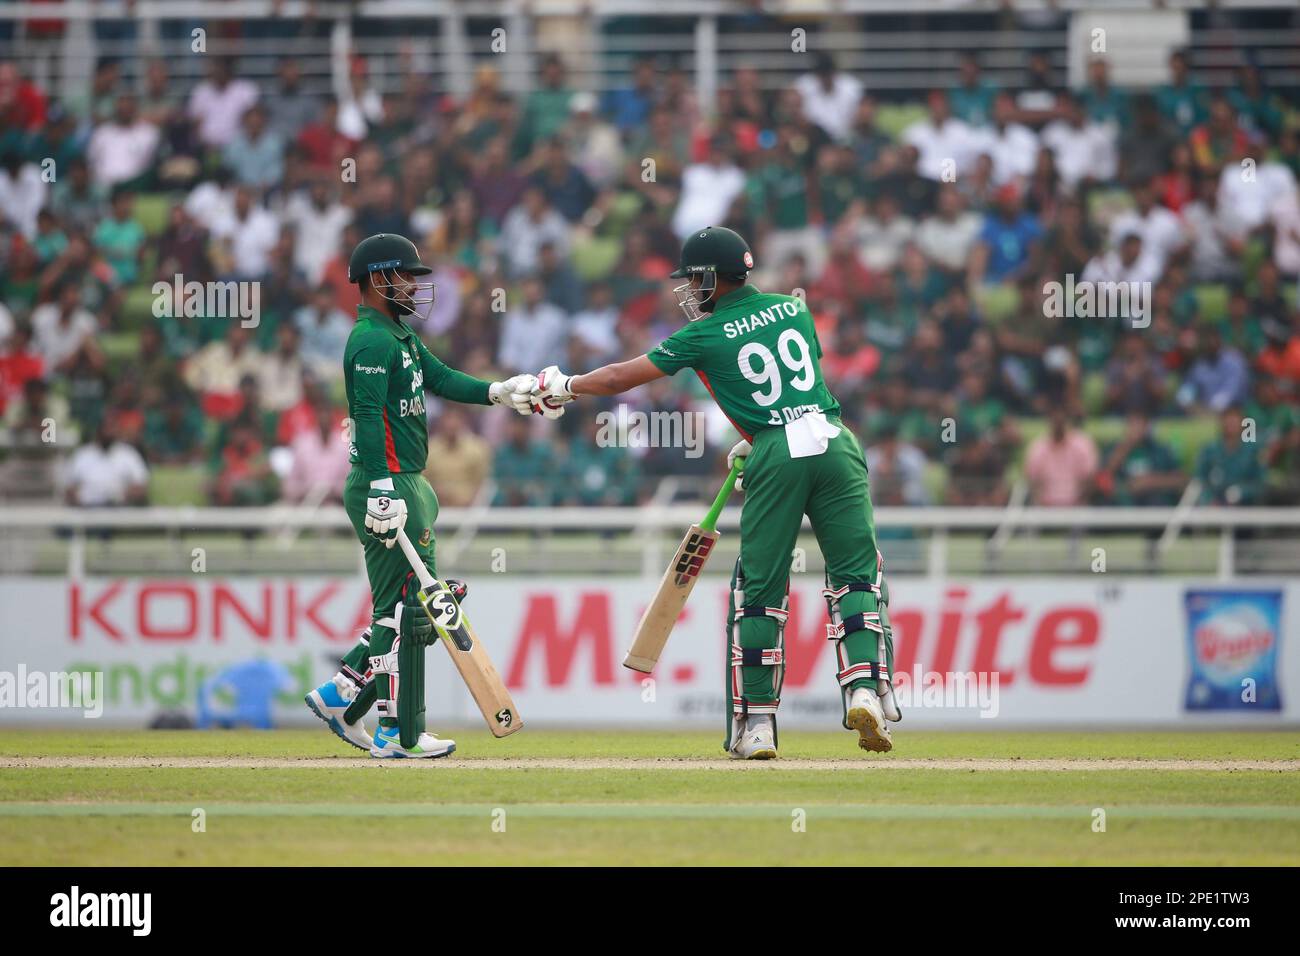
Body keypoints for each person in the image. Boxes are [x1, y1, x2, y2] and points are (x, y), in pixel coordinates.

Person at [529, 226, 900, 758]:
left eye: (693, 280)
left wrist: (561, 386)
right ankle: (864, 687)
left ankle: (759, 727)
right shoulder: (794, 309)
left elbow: (615, 378)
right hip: (835, 442)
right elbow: (802, 388)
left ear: (708, 277)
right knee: (855, 578)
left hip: (777, 453)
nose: (689, 291)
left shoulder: (702, 334)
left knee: (760, 592)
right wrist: (764, 432)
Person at [303, 233, 550, 759]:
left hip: (407, 480)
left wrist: (495, 392)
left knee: (411, 606)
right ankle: (396, 732)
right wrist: (382, 486)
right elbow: (366, 415)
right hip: (388, 480)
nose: (415, 286)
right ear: (376, 280)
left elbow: (439, 378)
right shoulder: (370, 339)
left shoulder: (398, 335)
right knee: (404, 612)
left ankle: (342, 693)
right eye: (405, 276)